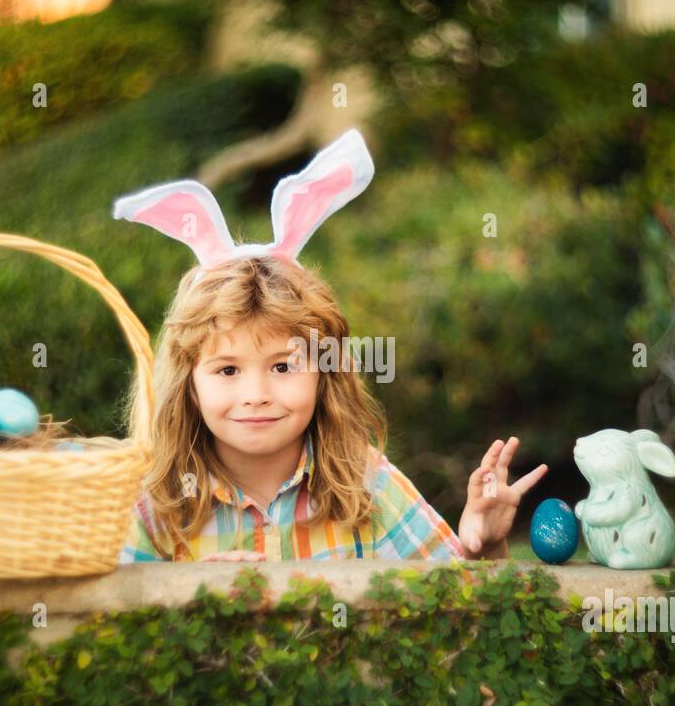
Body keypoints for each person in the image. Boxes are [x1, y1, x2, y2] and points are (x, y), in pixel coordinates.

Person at [112, 129, 545, 562]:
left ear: (325, 373)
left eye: (284, 367)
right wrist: (189, 602)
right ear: (188, 383)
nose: (256, 395)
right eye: (228, 370)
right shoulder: (156, 506)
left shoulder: (364, 484)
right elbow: (101, 625)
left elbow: (458, 612)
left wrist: (486, 548)